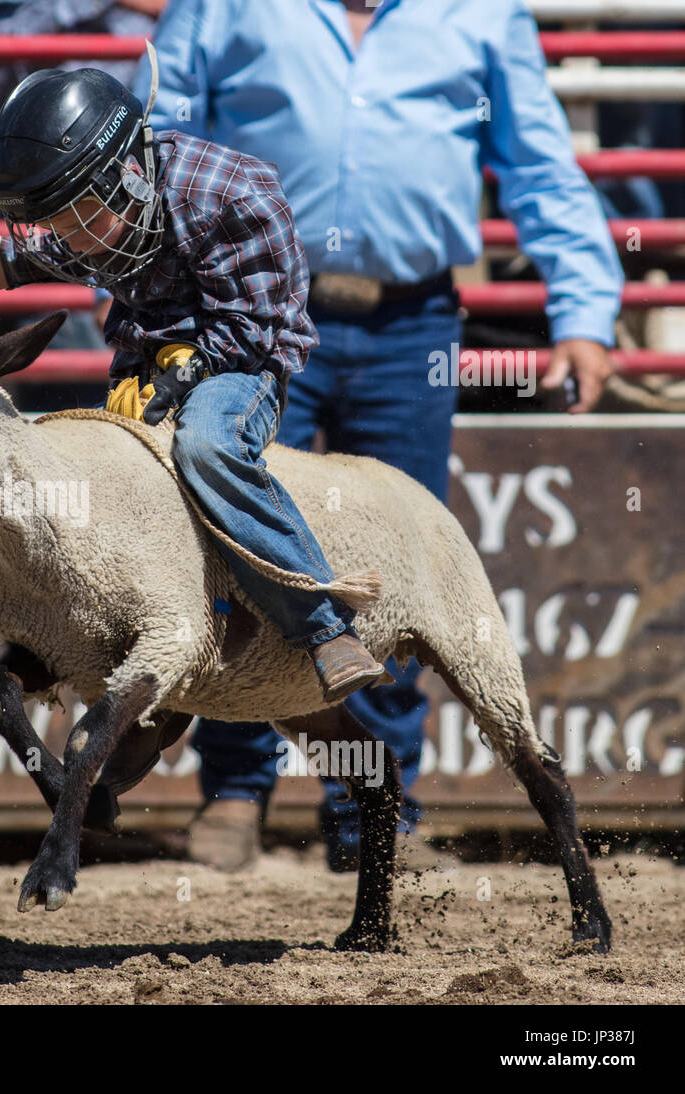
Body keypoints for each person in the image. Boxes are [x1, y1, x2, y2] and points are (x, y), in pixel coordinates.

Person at [139, 0, 624, 871]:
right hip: (249, 315)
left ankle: (374, 819)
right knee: (227, 545)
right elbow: (158, 131)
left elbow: (541, 166)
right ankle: (236, 794)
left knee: (397, 577)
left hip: (412, 326)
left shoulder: (485, 14)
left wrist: (583, 311)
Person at [0, 63, 389, 714]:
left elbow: (257, 324)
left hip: (244, 361)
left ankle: (322, 625)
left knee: (205, 449)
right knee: (112, 478)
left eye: (82, 217)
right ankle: (149, 626)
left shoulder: (237, 196)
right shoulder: (100, 213)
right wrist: (11, 263)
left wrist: (183, 377)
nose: (75, 239)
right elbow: (76, 247)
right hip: (151, 349)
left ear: (132, 176)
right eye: (58, 224)